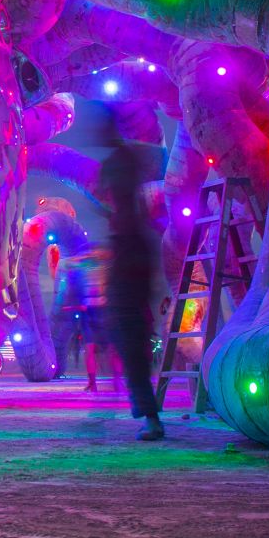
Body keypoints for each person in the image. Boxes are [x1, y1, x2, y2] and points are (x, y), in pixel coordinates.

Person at [98, 114, 164, 441]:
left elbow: (119, 204)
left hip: (129, 253)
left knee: (128, 333)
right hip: (134, 251)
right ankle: (148, 412)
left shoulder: (116, 162)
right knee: (129, 332)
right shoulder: (127, 159)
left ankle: (150, 416)